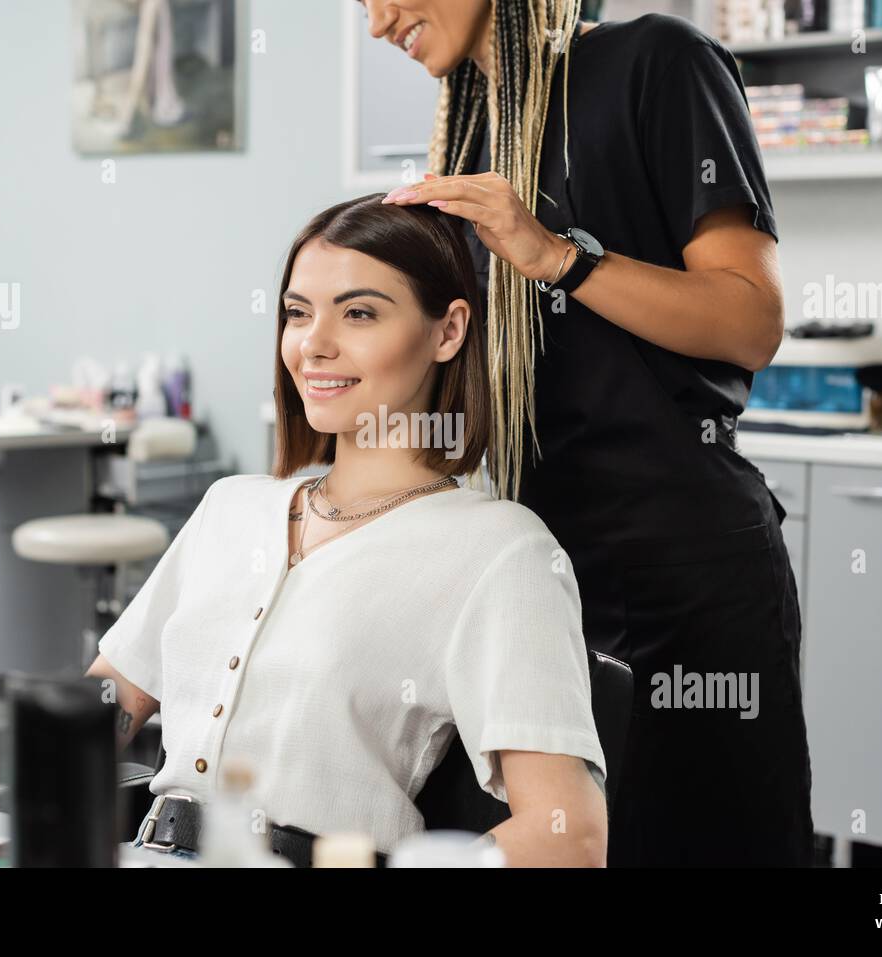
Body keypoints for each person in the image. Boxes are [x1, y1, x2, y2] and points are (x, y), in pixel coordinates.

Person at [360, 0, 814, 865]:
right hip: (541, 581)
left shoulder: (659, 63)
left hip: (684, 577)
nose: (378, 23)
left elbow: (750, 319)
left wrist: (558, 254)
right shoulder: (470, 128)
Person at [87, 194, 608, 866]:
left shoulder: (500, 550)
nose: (314, 344)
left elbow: (570, 833)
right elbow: (113, 695)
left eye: (359, 312)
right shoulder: (230, 507)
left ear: (448, 330)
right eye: (298, 313)